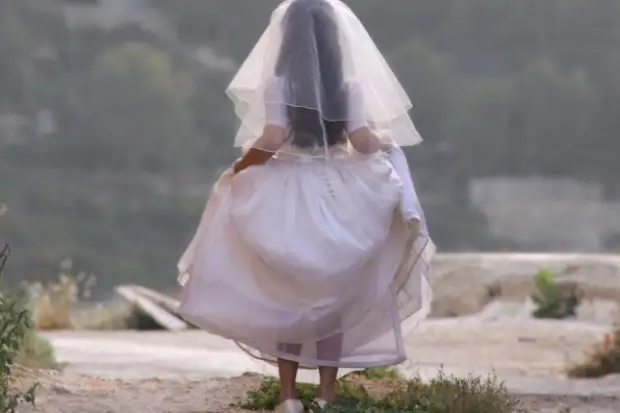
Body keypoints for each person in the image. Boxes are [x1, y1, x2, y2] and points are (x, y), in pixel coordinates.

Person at [176, 0, 435, 412]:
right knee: (333, 297)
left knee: (290, 298)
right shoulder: (346, 85)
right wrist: (386, 139)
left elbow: (273, 137)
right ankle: (327, 397)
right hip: (338, 193)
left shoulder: (280, 82)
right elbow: (362, 142)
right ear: (335, 37)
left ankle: (288, 396)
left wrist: (241, 167)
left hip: (289, 193)